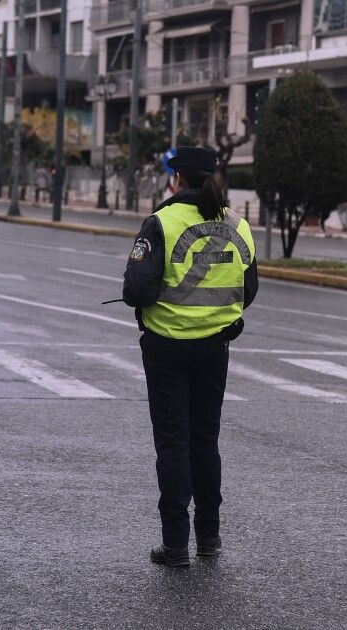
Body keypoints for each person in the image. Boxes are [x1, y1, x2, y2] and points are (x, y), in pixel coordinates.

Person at [121, 146, 259, 568]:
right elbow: (247, 289)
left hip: (166, 348)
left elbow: (135, 291)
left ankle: (176, 544)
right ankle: (210, 538)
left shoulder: (162, 222)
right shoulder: (238, 225)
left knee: (173, 444)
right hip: (214, 349)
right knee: (205, 442)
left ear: (176, 179)